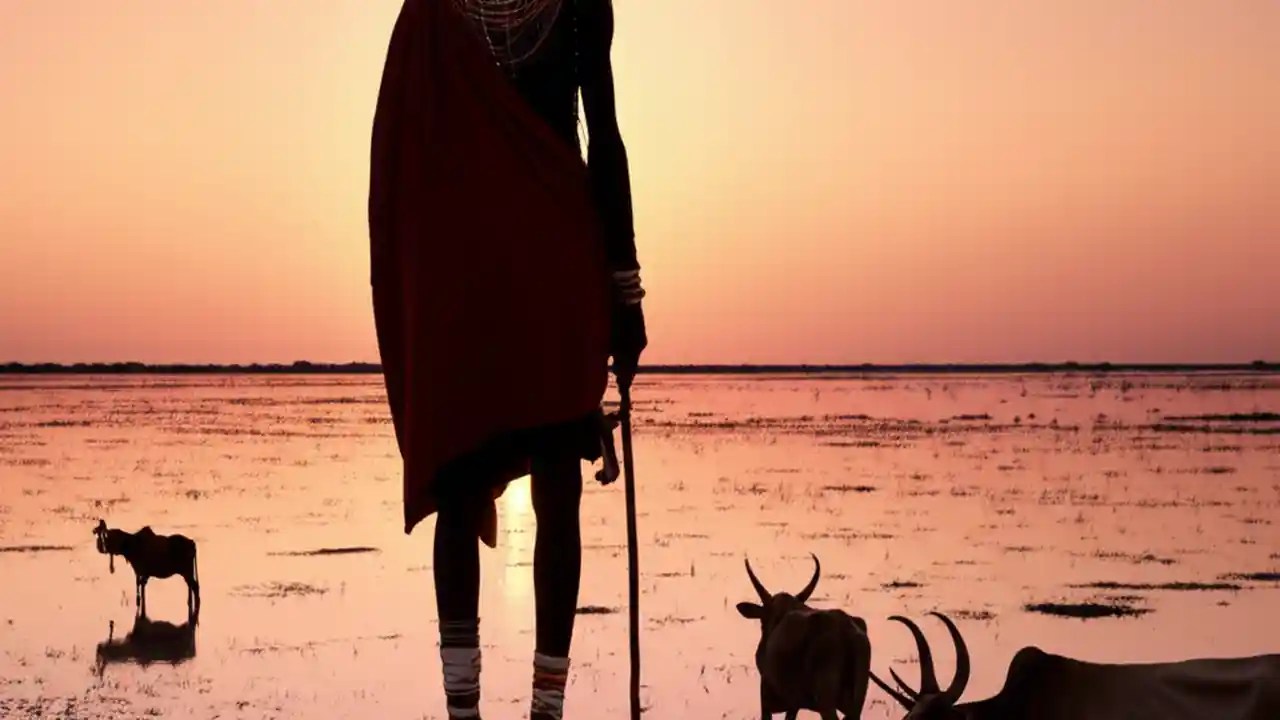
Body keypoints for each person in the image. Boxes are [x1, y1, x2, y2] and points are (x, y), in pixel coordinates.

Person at [367, 1, 647, 719]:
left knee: (503, 483)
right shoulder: (435, 12)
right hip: (517, 264)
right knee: (515, 484)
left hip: (493, 270)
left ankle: (513, 712)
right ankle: (521, 714)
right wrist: (625, 289)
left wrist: (622, 286)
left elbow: (602, 136)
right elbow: (605, 139)